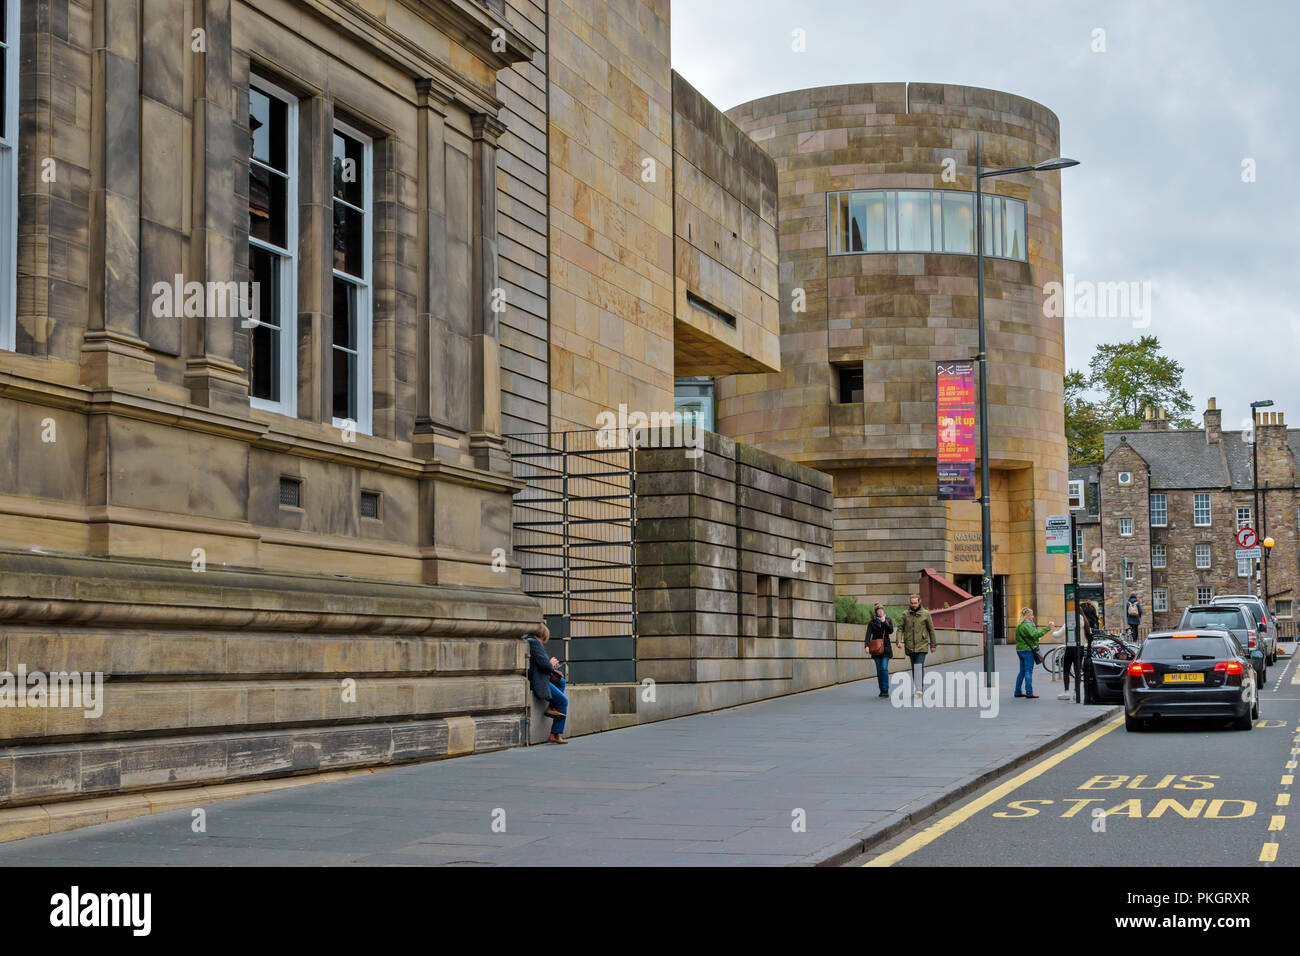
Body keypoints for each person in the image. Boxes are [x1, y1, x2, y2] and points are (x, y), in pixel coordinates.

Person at [524, 622, 568, 743]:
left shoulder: (528, 640)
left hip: (534, 678)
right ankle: (555, 734)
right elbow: (545, 665)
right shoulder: (535, 643)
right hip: (537, 681)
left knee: (561, 682)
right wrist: (552, 664)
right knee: (564, 701)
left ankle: (551, 706)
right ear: (542, 634)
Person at [897, 594, 936, 697]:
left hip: (922, 644)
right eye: (911, 603)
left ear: (919, 602)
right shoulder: (905, 614)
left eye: (915, 603)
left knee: (918, 666)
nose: (913, 605)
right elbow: (900, 628)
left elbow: (931, 630)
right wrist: (898, 641)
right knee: (915, 667)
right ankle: (918, 688)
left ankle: (919, 689)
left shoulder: (926, 614)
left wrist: (933, 645)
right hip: (910, 645)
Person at [1058, 601, 1098, 700]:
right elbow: (1089, 635)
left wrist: (1051, 630)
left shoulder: (1069, 621)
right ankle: (1077, 692)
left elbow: (1057, 634)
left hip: (1070, 648)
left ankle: (1066, 692)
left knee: (1066, 670)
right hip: (1080, 649)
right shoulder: (1085, 622)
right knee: (1077, 671)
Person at [1014, 607, 1056, 699]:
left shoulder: (1019, 626)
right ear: (1028, 616)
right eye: (1032, 615)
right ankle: (1029, 693)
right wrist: (1048, 628)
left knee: (1022, 671)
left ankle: (1017, 691)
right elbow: (1035, 635)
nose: (1033, 617)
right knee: (1028, 671)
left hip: (1019, 650)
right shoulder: (1028, 625)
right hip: (1028, 650)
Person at [865, 603, 895, 697]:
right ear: (876, 612)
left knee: (884, 668)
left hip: (886, 648)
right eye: (878, 610)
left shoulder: (888, 620)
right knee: (879, 670)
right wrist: (866, 646)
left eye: (882, 610)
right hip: (875, 649)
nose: (880, 611)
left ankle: (885, 690)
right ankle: (881, 689)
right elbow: (868, 634)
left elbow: (890, 630)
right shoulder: (872, 622)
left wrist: (883, 622)